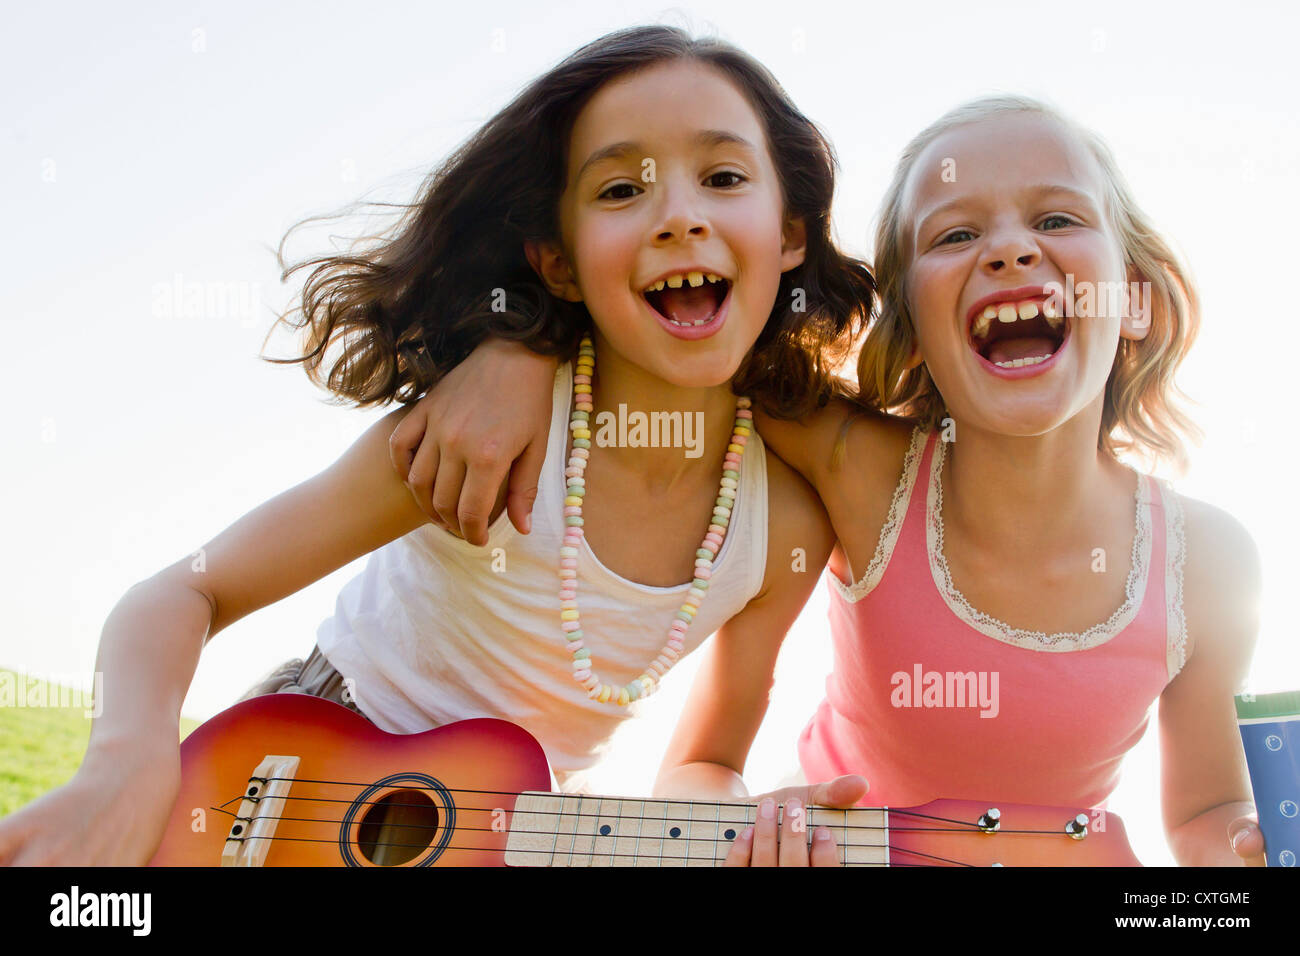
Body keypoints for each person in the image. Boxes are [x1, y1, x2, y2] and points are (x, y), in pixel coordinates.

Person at [0, 26, 877, 866]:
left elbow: (705, 762)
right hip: (290, 794)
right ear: (558, 261)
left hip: (511, 839)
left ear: (790, 232)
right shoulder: (478, 434)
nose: (679, 216)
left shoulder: (781, 530)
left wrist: (741, 822)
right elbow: (188, 589)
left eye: (723, 176)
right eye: (619, 190)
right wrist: (125, 760)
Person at [391, 95, 1267, 865]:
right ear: (911, 329)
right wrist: (519, 349)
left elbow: (1204, 816)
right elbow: (665, 338)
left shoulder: (1207, 564)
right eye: (956, 235)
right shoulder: (860, 469)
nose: (1008, 250)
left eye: (1059, 218)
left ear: (1135, 300)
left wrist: (1249, 847)